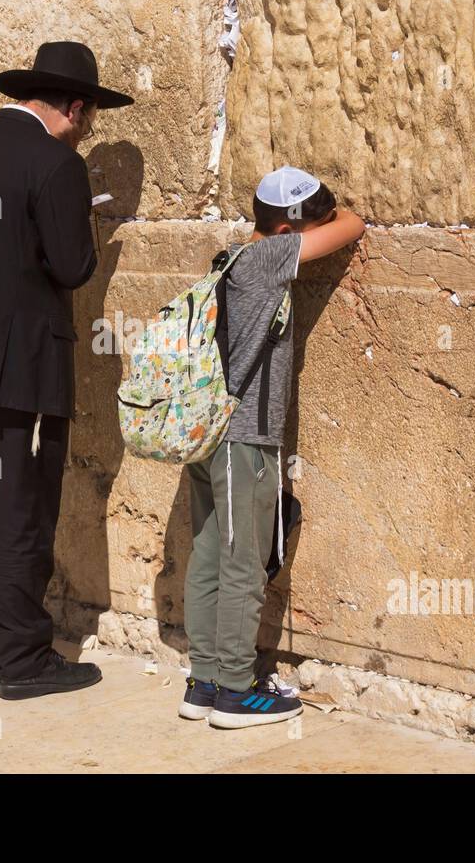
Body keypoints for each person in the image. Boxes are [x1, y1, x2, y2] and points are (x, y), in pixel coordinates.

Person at [0, 41, 132, 699]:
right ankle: (27, 660)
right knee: (24, 512)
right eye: (89, 117)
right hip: (25, 369)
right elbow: (71, 268)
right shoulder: (56, 165)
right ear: (73, 108)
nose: (86, 129)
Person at [178, 166, 367, 728]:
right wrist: (332, 218)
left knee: (210, 556)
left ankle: (205, 680)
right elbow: (351, 227)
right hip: (244, 442)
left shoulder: (230, 260)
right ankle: (236, 691)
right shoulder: (265, 261)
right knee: (244, 563)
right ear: (287, 228)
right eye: (307, 225)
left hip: (209, 435)